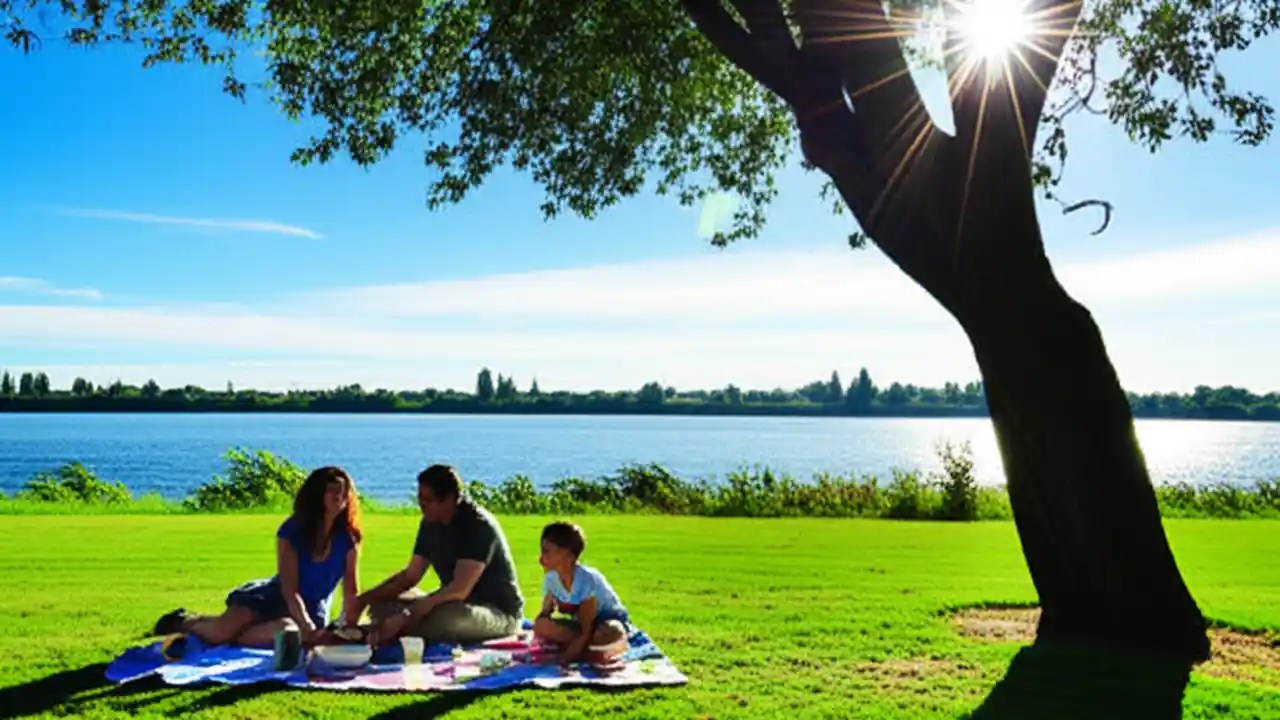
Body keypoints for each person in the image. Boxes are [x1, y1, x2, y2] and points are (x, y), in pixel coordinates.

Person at [151, 466, 363, 648]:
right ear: (317, 495)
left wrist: (348, 626)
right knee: (221, 633)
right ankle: (184, 620)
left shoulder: (349, 539)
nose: (339, 497)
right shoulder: (292, 532)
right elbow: (290, 590)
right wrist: (306, 624)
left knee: (288, 632)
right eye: (332, 490)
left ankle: (235, 634)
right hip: (272, 598)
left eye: (344, 492)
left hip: (310, 610)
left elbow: (351, 591)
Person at [359, 464, 523, 646]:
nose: (421, 505)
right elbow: (410, 576)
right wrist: (364, 600)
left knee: (449, 619)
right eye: (419, 498)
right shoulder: (430, 523)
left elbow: (460, 589)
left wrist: (408, 614)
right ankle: (387, 630)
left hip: (494, 611)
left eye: (428, 500)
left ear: (450, 500)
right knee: (382, 605)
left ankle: (376, 633)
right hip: (449, 602)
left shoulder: (476, 526)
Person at [532, 521, 630, 665]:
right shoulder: (551, 579)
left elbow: (586, 629)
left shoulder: (586, 580)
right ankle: (594, 651)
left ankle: (597, 648)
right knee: (541, 626)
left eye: (547, 551)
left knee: (607, 632)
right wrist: (544, 620)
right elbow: (544, 615)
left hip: (604, 623)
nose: (541, 559)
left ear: (568, 555)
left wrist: (568, 655)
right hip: (580, 625)